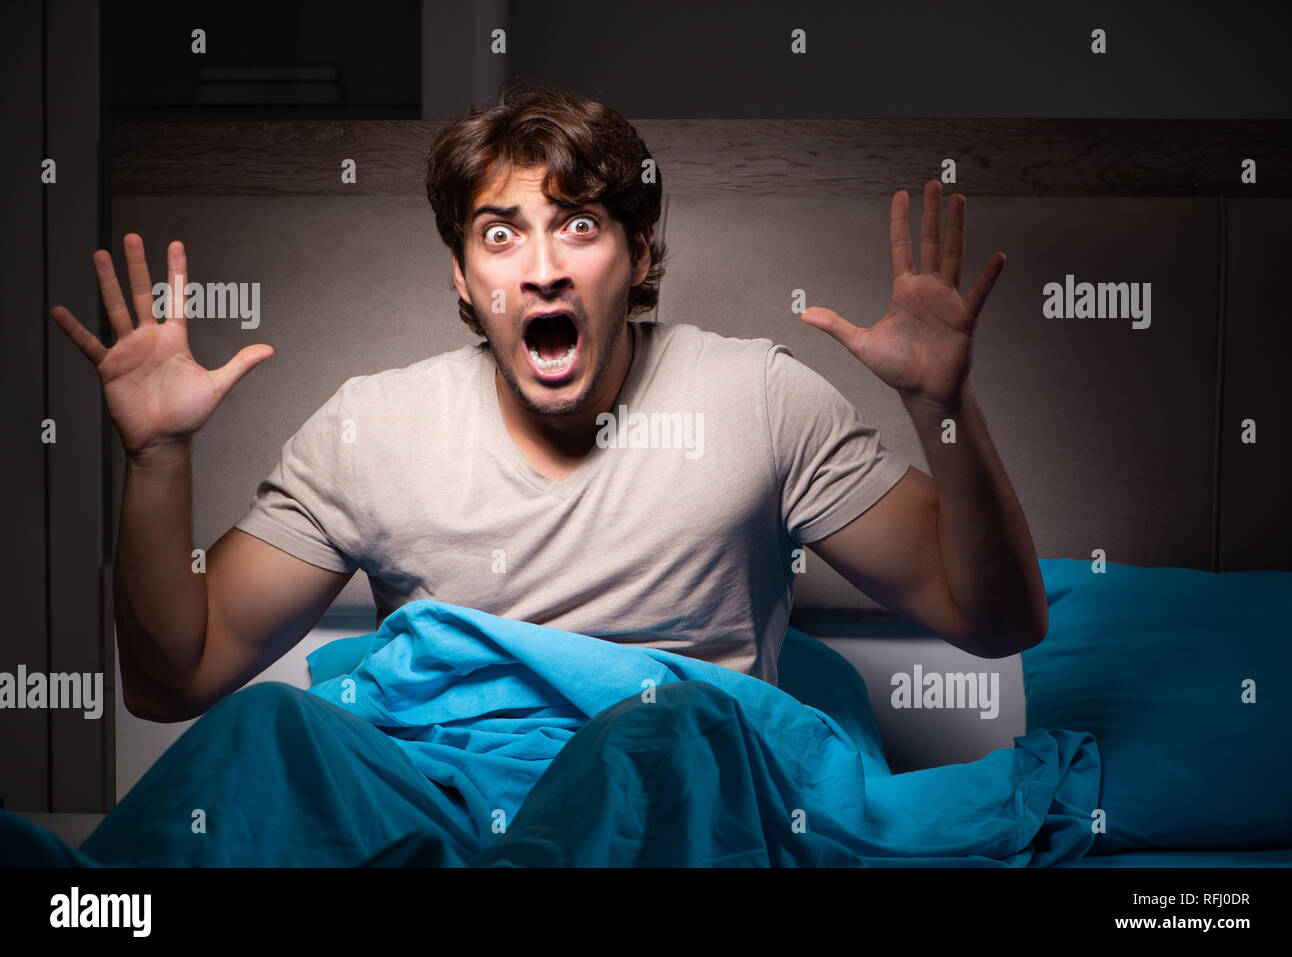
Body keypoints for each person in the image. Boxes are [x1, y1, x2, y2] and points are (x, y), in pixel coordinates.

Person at [51, 80, 1047, 725]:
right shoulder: (369, 431)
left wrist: (940, 408)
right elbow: (168, 682)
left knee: (663, 747)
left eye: (578, 226)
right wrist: (158, 461)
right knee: (277, 733)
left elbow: (995, 621)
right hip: (439, 798)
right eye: (499, 235)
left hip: (682, 786)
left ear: (639, 255)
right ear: (459, 275)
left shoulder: (759, 397)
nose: (539, 270)